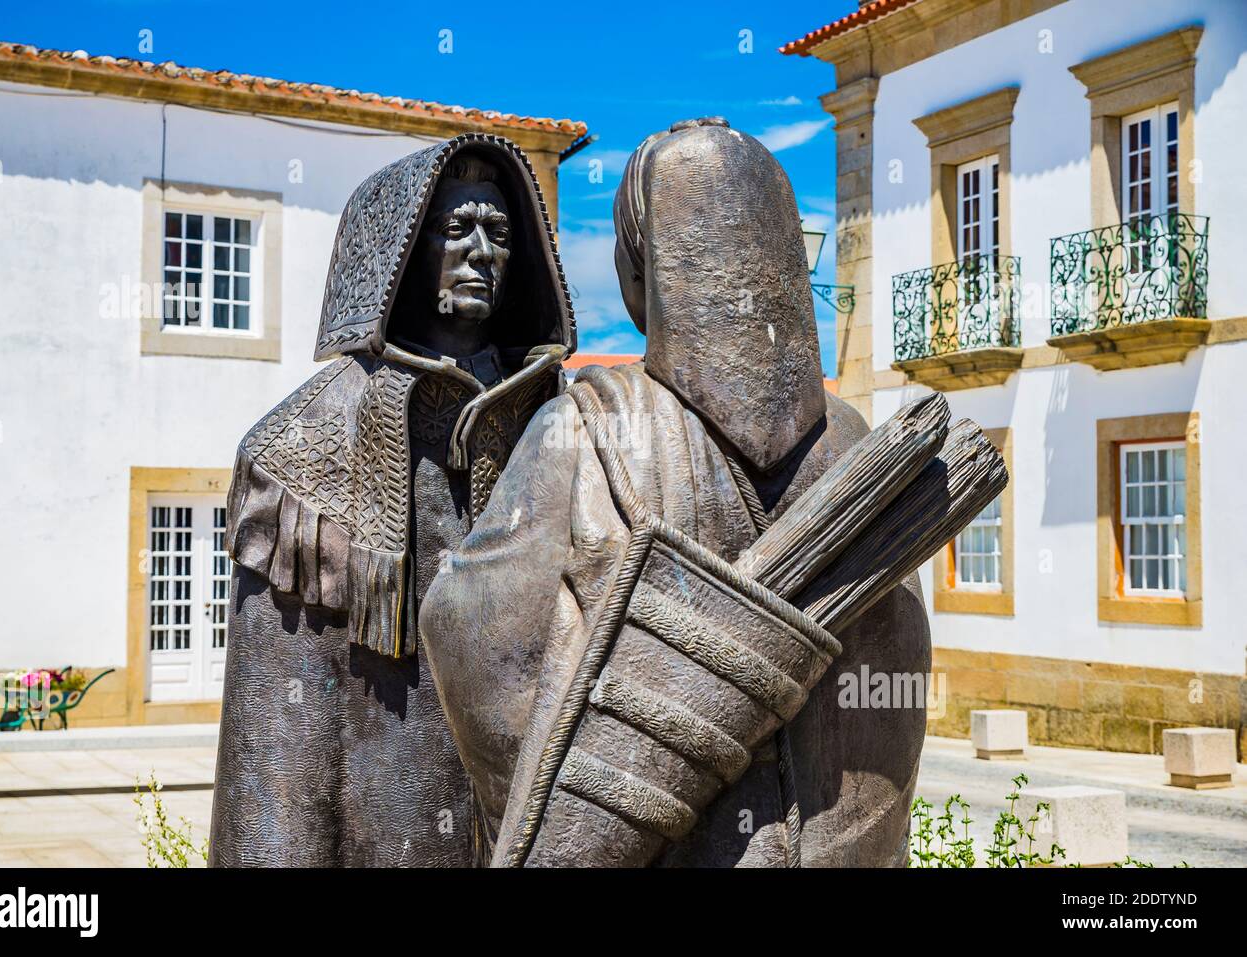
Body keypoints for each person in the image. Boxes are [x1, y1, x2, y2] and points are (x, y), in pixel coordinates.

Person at [419, 119, 931, 867]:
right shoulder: (857, 443)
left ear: (645, 272)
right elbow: (900, 667)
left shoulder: (587, 432)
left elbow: (470, 640)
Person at [209, 134, 573, 866]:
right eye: (455, 228)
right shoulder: (297, 450)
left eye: (498, 233)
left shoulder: (562, 427)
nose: (480, 251)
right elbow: (275, 759)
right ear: (401, 251)